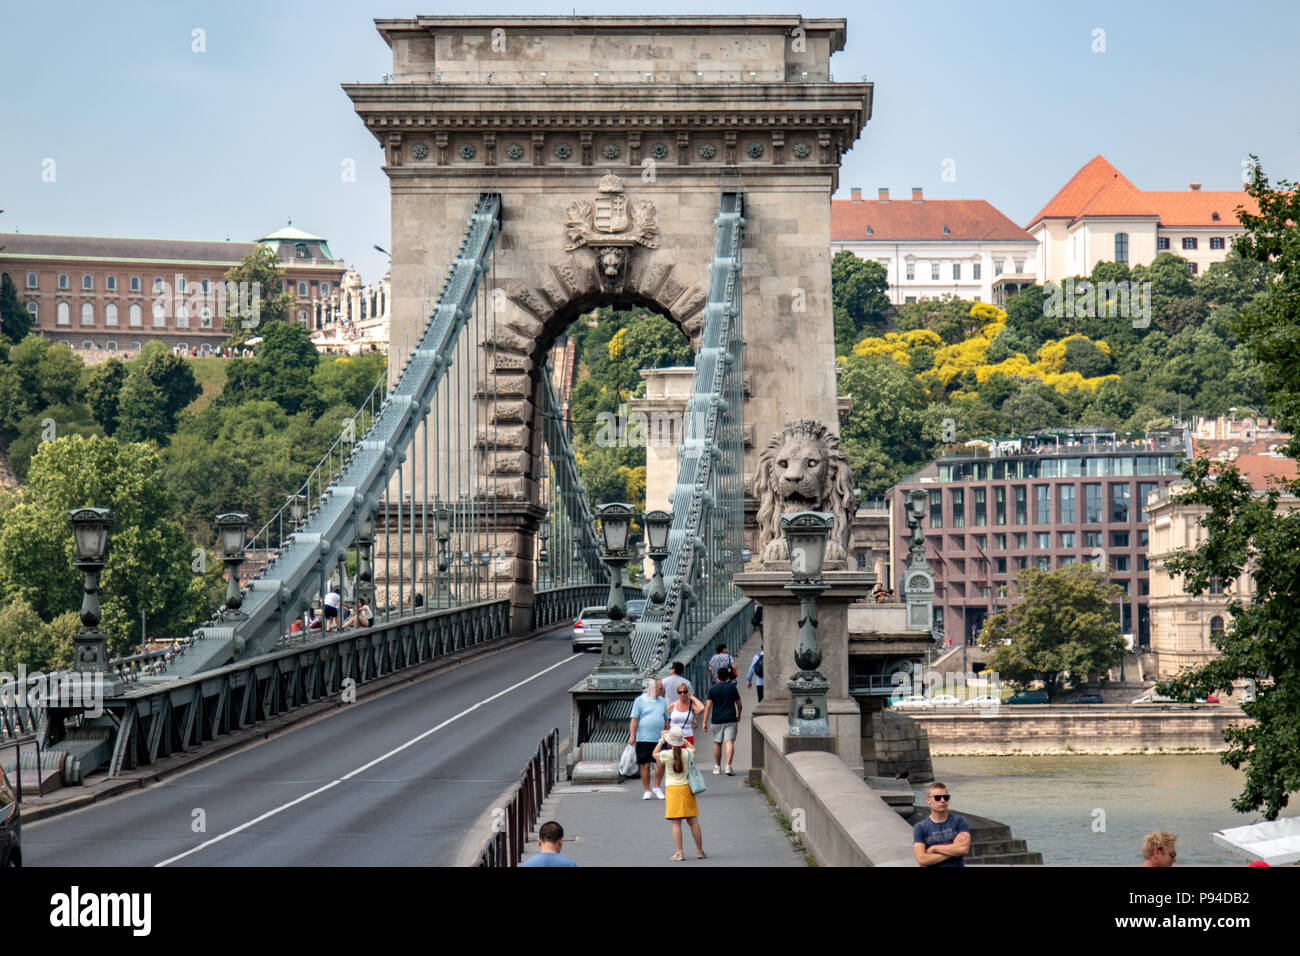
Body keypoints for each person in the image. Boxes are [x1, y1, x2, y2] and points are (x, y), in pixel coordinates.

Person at [653, 727, 706, 861]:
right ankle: (700, 851)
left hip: (672, 789)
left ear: (670, 741)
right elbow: (693, 749)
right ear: (681, 741)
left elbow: (654, 754)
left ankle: (680, 852)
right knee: (693, 822)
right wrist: (684, 741)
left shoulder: (666, 754)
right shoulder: (687, 753)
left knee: (676, 823)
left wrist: (661, 740)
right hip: (686, 789)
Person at [629, 677, 669, 800]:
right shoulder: (640, 701)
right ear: (653, 688)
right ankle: (647, 790)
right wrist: (632, 735)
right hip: (644, 737)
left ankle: (656, 786)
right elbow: (634, 719)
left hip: (659, 738)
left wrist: (668, 735)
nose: (663, 690)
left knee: (661, 762)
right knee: (645, 764)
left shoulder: (662, 701)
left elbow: (666, 719)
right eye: (661, 688)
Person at [913, 781, 970, 867]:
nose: (943, 800)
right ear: (928, 800)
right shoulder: (920, 828)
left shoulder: (960, 821)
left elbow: (963, 849)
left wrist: (934, 848)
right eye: (938, 798)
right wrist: (953, 849)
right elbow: (922, 859)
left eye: (946, 797)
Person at [703, 666, 742, 775]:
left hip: (717, 719)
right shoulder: (732, 688)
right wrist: (739, 715)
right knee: (729, 742)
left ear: (717, 676)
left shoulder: (713, 689)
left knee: (717, 743)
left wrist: (704, 721)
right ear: (728, 677)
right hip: (730, 717)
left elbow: (708, 706)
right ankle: (728, 766)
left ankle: (717, 766)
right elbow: (739, 705)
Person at [667, 681, 705, 746]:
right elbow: (666, 721)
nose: (682, 694)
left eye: (685, 692)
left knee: (687, 755)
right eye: (680, 692)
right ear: (677, 693)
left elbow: (702, 708)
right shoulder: (672, 705)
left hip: (688, 736)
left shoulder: (691, 705)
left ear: (687, 693)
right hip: (674, 737)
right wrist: (667, 737)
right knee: (675, 756)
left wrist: (692, 697)